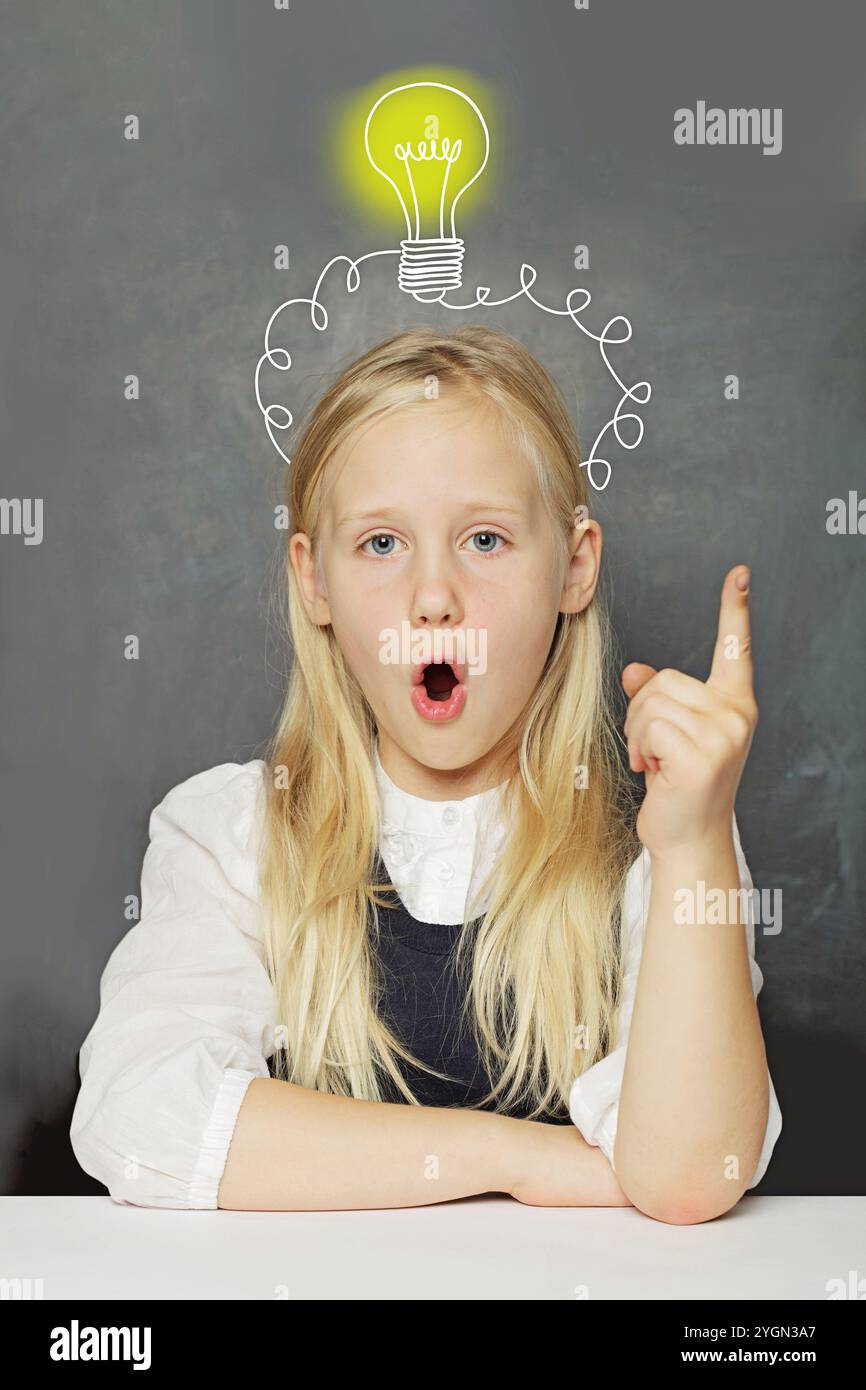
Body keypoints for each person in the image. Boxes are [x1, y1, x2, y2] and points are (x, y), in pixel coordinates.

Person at [70, 324, 782, 1220]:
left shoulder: (661, 842)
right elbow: (139, 1118)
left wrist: (694, 847)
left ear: (575, 565)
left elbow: (693, 1175)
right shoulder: (235, 837)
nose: (434, 598)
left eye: (485, 540)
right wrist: (511, 1158)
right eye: (380, 544)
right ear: (313, 580)